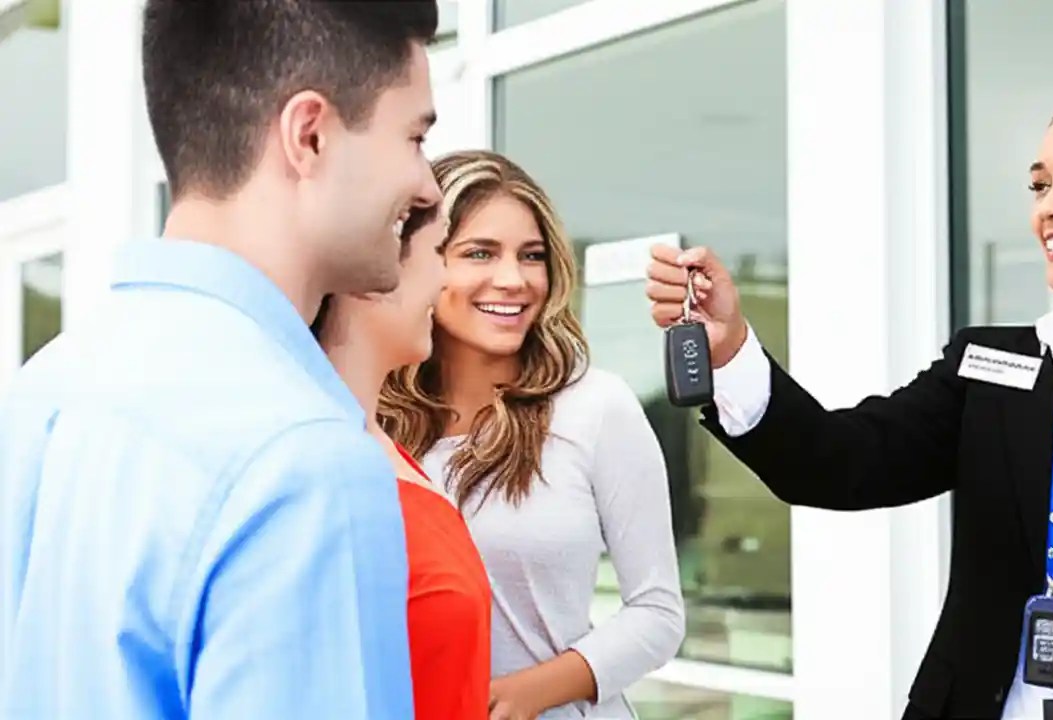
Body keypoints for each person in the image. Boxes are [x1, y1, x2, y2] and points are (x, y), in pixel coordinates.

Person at [647, 37, 1053, 720]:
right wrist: (733, 347)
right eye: (1041, 184)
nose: (1050, 206)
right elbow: (835, 464)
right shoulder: (988, 365)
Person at [0, 2, 441, 718]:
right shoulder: (307, 457)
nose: (426, 184)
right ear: (311, 135)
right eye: (415, 136)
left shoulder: (46, 388)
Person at [381, 150, 685, 720]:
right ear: (421, 262)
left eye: (532, 256)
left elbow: (659, 613)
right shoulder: (376, 423)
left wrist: (527, 693)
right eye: (479, 253)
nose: (513, 280)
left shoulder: (596, 408)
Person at [313, 205, 492, 720]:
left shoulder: (388, 452)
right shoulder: (319, 473)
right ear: (366, 274)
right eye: (437, 253)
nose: (444, 278)